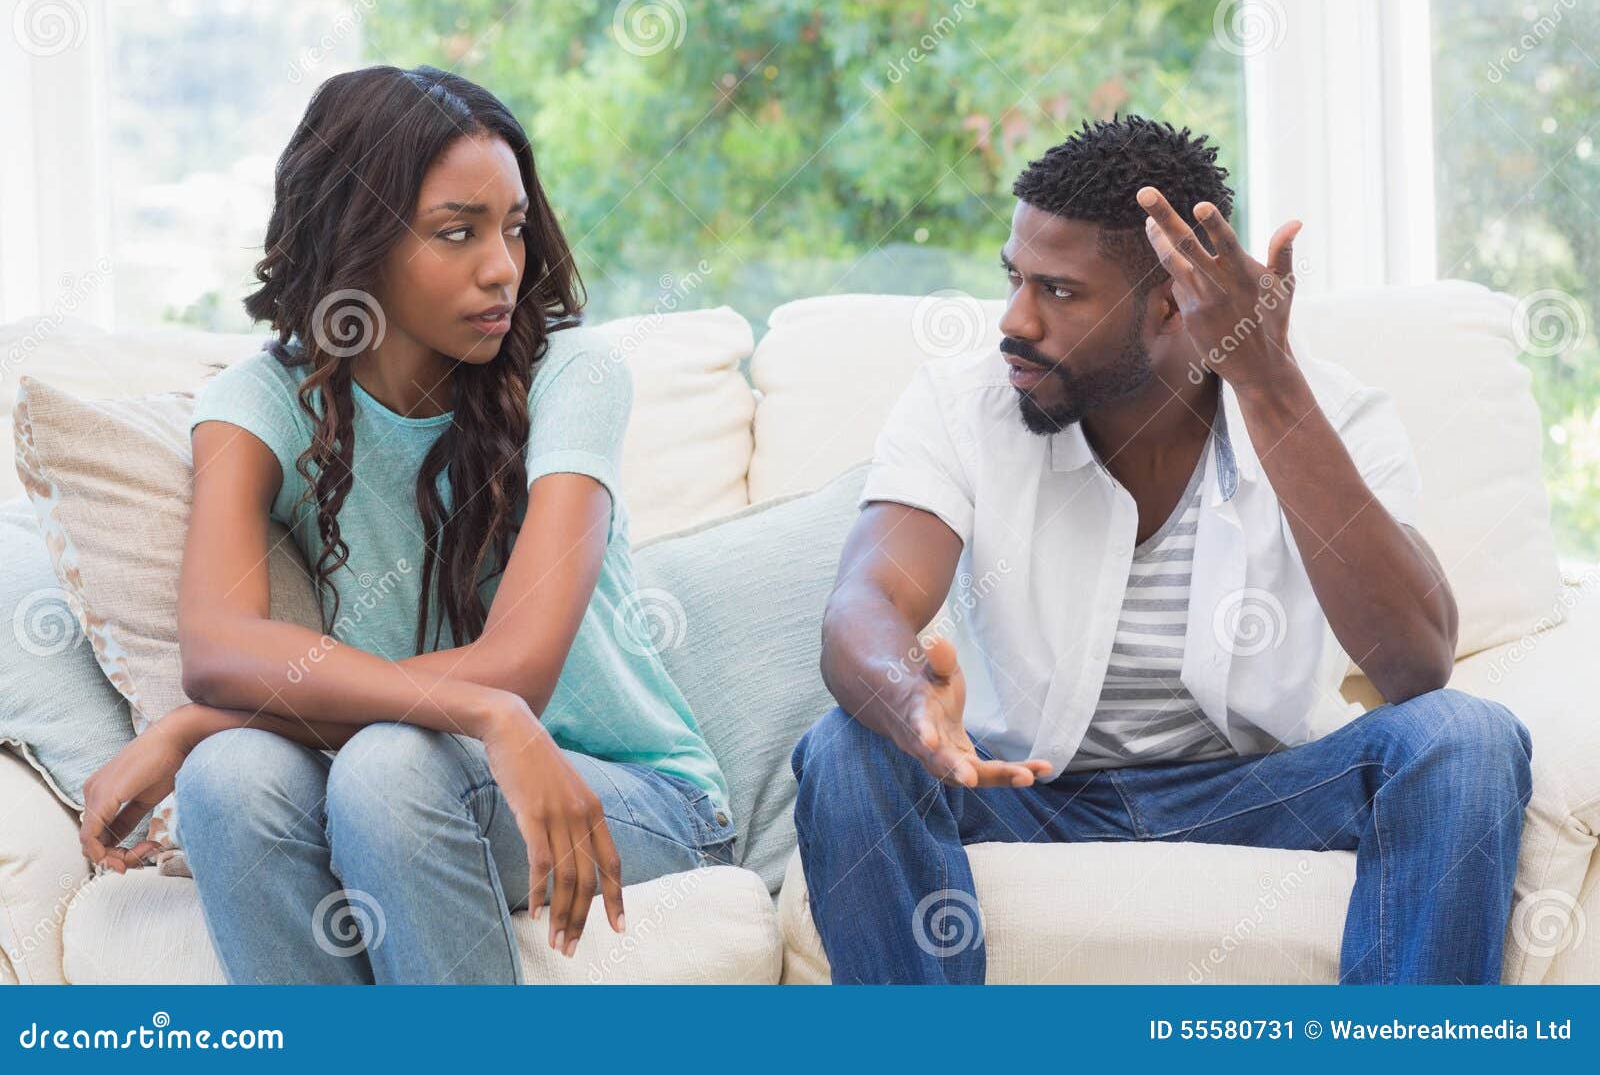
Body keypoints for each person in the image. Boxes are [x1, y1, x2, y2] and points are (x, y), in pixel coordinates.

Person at [792, 114, 1532, 984]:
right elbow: (864, 604)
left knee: (1466, 736)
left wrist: (1269, 384)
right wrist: (910, 702)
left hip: (1265, 786)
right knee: (847, 745)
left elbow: (1415, 665)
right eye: (1014, 278)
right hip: (1026, 788)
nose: (1013, 320)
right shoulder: (963, 406)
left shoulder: (1333, 412)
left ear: (1173, 302)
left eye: (1059, 292)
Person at [75, 64, 734, 984]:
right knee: (230, 779)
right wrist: (474, 711)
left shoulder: (572, 375)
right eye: (457, 233)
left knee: (386, 765)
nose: (503, 265)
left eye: (512, 228)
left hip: (630, 794)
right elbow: (218, 643)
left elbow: (521, 671)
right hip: (409, 772)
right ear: (357, 241)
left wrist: (194, 721)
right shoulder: (260, 402)